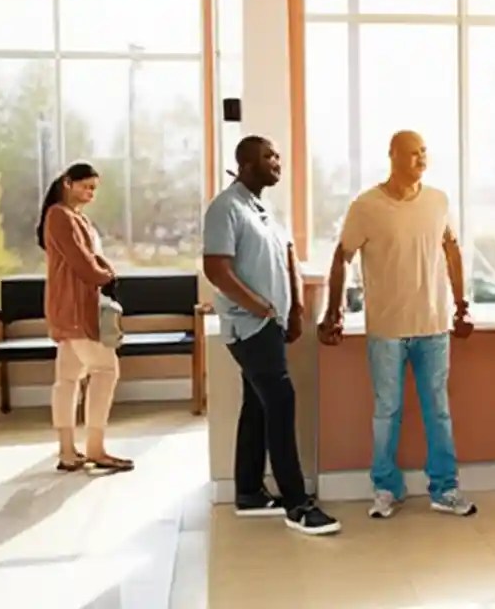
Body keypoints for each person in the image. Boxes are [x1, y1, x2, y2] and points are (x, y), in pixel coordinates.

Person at [318, 130, 477, 520]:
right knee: (387, 410)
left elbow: (451, 249)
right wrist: (332, 311)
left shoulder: (438, 201)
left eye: (424, 152)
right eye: (412, 153)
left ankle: (445, 489)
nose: (421, 159)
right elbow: (343, 257)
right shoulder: (366, 206)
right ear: (392, 156)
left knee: (437, 410)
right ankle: (386, 488)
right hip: (387, 328)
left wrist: (461, 305)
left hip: (434, 326)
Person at [203, 136, 341, 536]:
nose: (277, 162)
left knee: (258, 405)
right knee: (280, 401)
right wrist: (259, 307)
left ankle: (248, 492)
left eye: (278, 155)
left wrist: (295, 308)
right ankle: (298, 504)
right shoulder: (225, 208)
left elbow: (287, 256)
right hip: (249, 327)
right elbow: (216, 269)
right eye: (268, 156)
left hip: (272, 324)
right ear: (245, 163)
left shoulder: (264, 210)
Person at [37, 162, 132, 473]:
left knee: (67, 379)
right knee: (106, 369)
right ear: (68, 183)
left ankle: (67, 452)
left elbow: (91, 258)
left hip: (70, 307)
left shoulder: (76, 218)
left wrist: (107, 273)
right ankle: (95, 448)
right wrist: (107, 278)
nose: (91, 193)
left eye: (94, 188)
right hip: (76, 308)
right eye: (86, 186)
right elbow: (81, 260)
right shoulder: (59, 216)